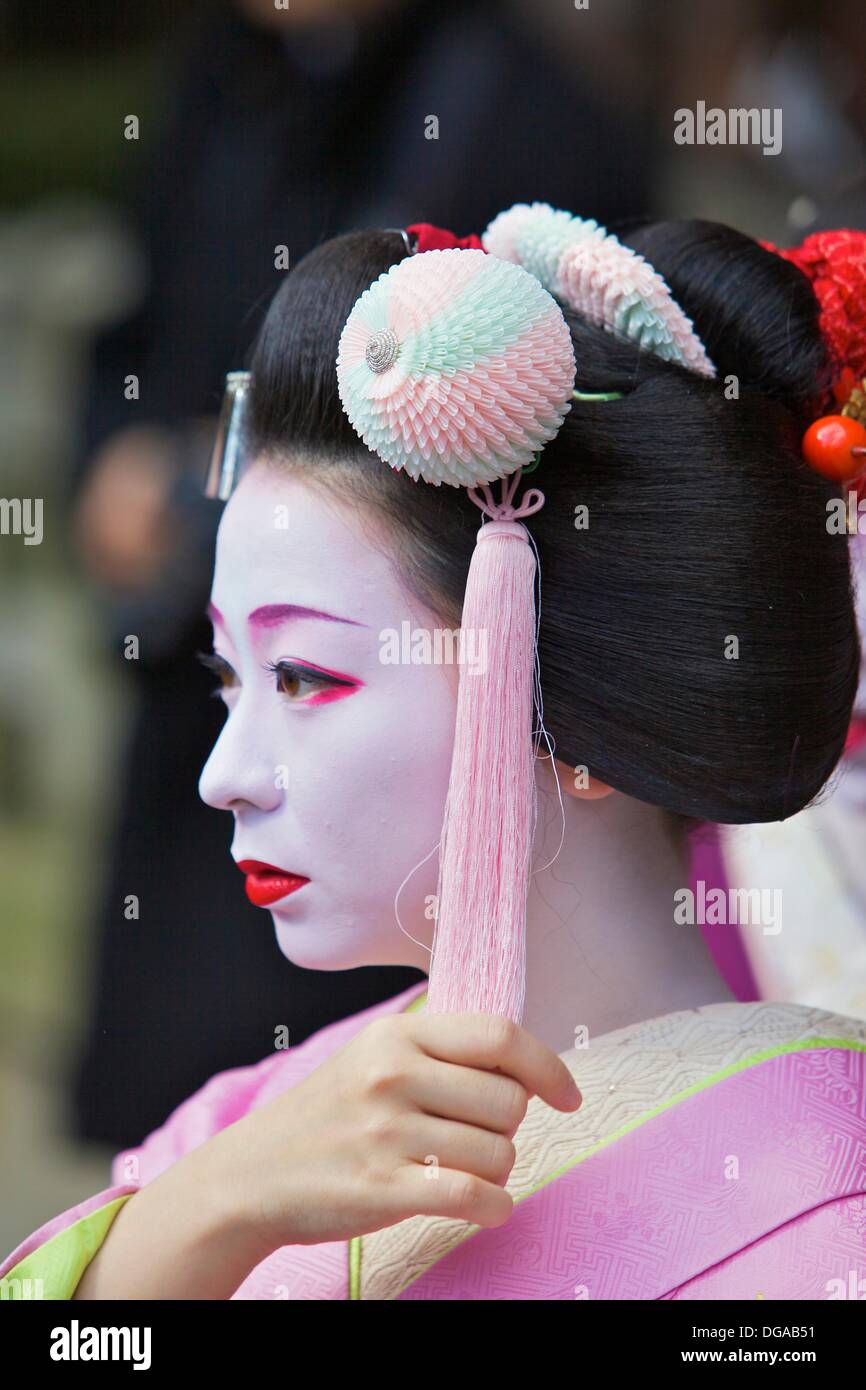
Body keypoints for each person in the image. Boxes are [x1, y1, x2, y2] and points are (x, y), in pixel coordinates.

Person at [4, 205, 866, 1301]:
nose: (223, 774)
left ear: (575, 699)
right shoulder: (253, 1131)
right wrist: (202, 1214)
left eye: (306, 677)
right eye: (228, 680)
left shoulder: (820, 1221)